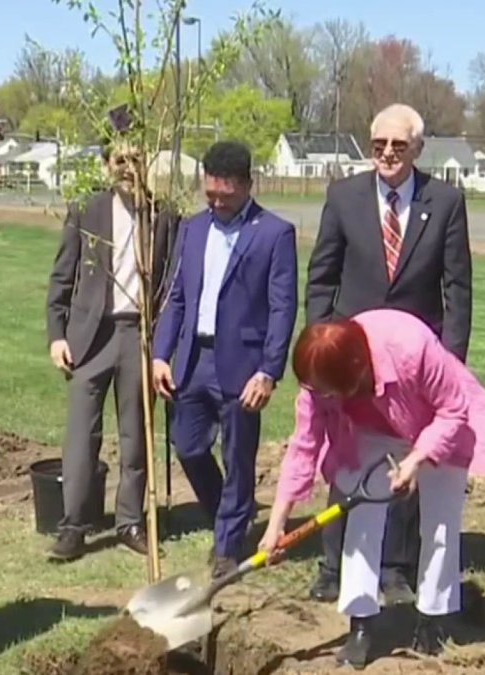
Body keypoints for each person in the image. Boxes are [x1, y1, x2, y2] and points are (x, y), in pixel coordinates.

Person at [261, 309, 485, 668]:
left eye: (327, 390)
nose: (318, 396)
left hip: (438, 422)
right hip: (372, 428)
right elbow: (303, 448)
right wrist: (275, 524)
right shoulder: (318, 383)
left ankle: (432, 618)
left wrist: (416, 459)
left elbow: (453, 410)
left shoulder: (411, 345)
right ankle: (361, 622)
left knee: (440, 523)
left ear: (354, 372)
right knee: (361, 518)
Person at [303, 103, 474, 604]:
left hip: (415, 365)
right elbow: (322, 277)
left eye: (398, 146)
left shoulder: (444, 202)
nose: (388, 154)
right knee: (349, 458)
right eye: (379, 145)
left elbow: (457, 287)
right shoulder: (343, 197)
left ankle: (396, 567)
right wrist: (322, 349)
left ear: (417, 148)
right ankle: (334, 565)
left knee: (405, 464)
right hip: (353, 362)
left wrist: (452, 360)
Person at [152, 140, 298, 580]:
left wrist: (269, 371)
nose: (217, 202)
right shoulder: (192, 230)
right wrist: (161, 354)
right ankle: (228, 512)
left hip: (243, 365)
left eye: (226, 195)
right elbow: (176, 297)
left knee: (238, 457)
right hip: (194, 360)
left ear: (247, 186)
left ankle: (227, 545)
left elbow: (282, 307)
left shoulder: (274, 234)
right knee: (188, 445)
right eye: (210, 194)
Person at [45, 142, 180, 561]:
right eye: (120, 160)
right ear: (106, 166)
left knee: (135, 437)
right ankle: (74, 525)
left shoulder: (164, 217)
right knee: (81, 437)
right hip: (89, 338)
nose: (128, 168)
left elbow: (172, 285)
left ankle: (129, 521)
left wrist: (163, 346)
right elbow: (61, 275)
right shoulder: (87, 209)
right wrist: (57, 334)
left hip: (138, 337)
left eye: (135, 160)